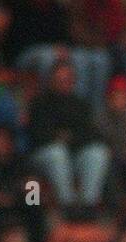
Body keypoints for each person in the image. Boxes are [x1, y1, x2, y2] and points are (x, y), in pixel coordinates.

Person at [26, 58, 109, 213]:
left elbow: (91, 134)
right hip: (43, 156)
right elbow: (38, 135)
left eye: (67, 79)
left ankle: (88, 206)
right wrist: (64, 138)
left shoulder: (80, 104)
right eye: (59, 79)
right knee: (57, 152)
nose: (63, 83)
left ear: (73, 81)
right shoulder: (39, 104)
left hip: (74, 154)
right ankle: (67, 206)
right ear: (51, 80)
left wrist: (66, 137)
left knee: (98, 152)